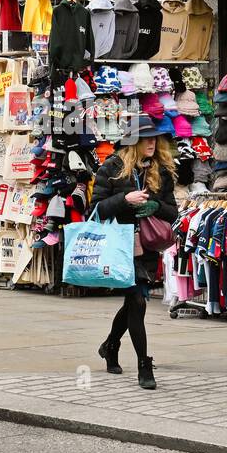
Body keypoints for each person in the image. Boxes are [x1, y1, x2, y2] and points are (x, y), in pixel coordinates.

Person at [91, 115, 177, 390]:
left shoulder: (161, 170)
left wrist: (154, 206)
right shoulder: (112, 167)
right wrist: (124, 200)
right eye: (145, 138)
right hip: (121, 244)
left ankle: (110, 345)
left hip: (148, 247)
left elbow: (172, 211)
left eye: (154, 138)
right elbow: (95, 210)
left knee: (132, 303)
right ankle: (144, 365)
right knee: (138, 303)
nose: (152, 143)